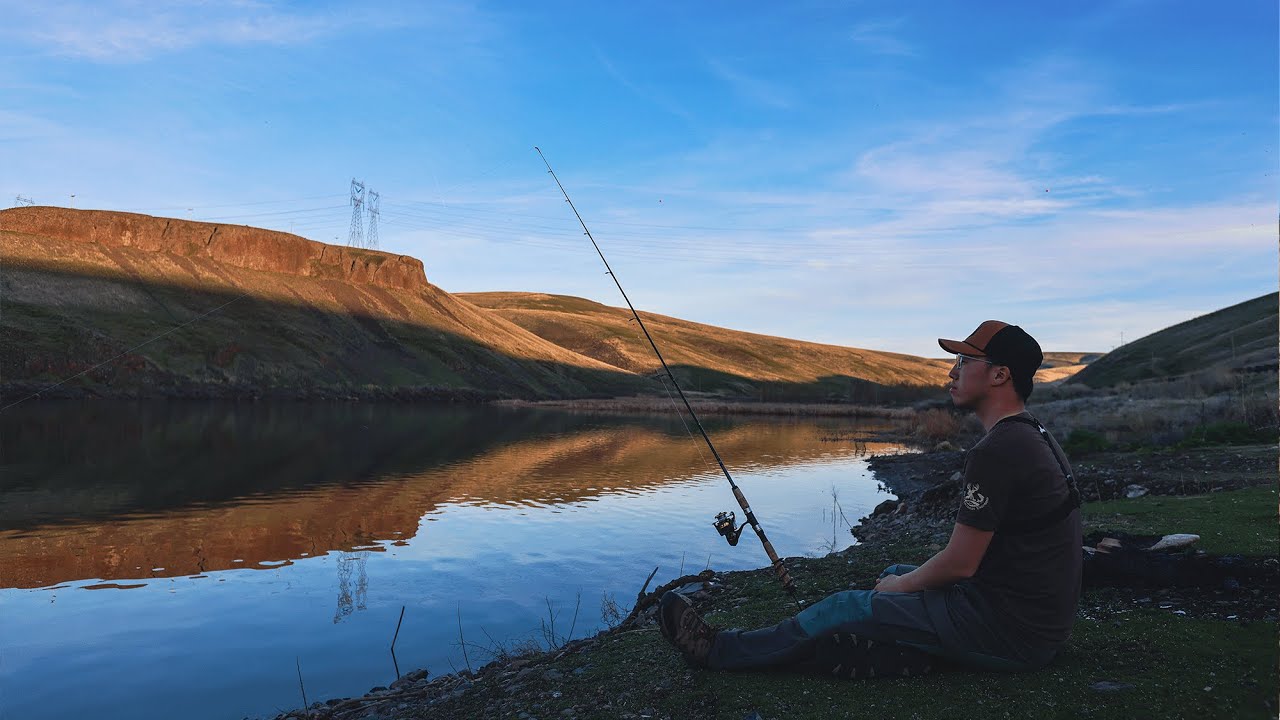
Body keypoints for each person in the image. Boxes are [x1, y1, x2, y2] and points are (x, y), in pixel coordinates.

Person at [658, 321, 1083, 678]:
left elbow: (960, 563)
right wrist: (901, 582)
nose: (952, 372)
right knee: (893, 574)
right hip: (1031, 620)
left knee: (850, 603)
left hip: (1010, 633)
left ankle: (718, 651)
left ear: (998, 375)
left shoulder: (998, 451)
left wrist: (900, 588)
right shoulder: (1032, 433)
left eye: (964, 361)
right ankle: (901, 651)